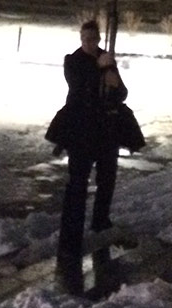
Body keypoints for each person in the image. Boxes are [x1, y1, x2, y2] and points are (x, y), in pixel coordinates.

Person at [45, 19, 141, 263]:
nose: (90, 43)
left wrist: (112, 75)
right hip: (81, 129)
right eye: (86, 39)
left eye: (93, 39)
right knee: (77, 182)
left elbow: (120, 93)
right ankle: (72, 233)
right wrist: (100, 68)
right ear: (81, 39)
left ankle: (101, 220)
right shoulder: (73, 60)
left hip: (106, 129)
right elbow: (79, 87)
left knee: (107, 177)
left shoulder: (106, 60)